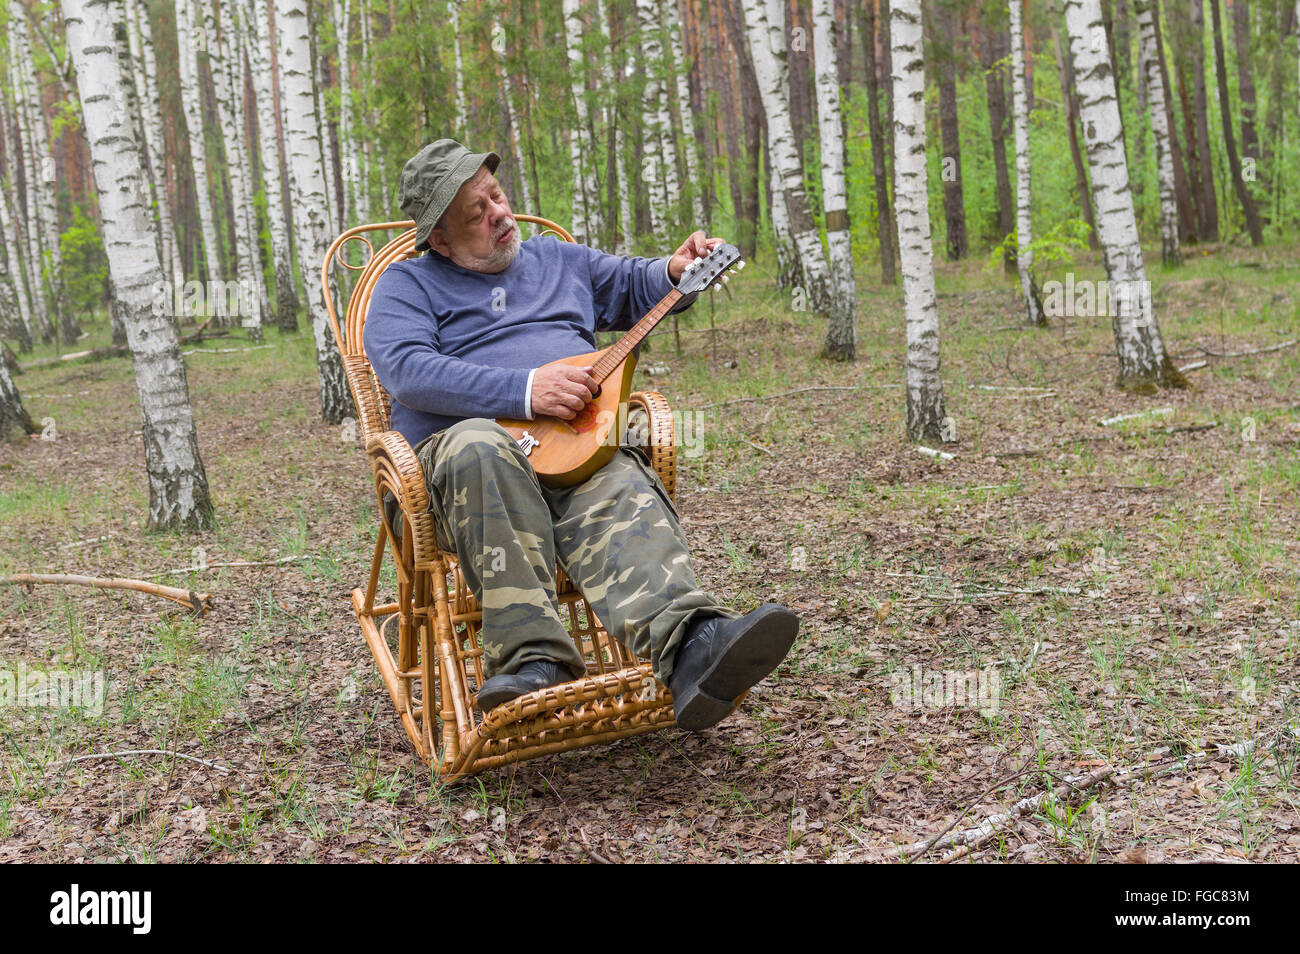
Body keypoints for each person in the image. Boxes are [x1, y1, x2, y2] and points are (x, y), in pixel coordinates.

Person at [363, 139, 798, 730]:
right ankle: (534, 658)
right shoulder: (406, 287)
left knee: (616, 473)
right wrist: (524, 389)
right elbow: (410, 371)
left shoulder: (558, 260)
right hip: (459, 476)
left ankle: (694, 644)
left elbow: (635, 283)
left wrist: (675, 270)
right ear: (439, 239)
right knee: (479, 446)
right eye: (476, 213)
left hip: (569, 450)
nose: (499, 214)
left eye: (496, 195)